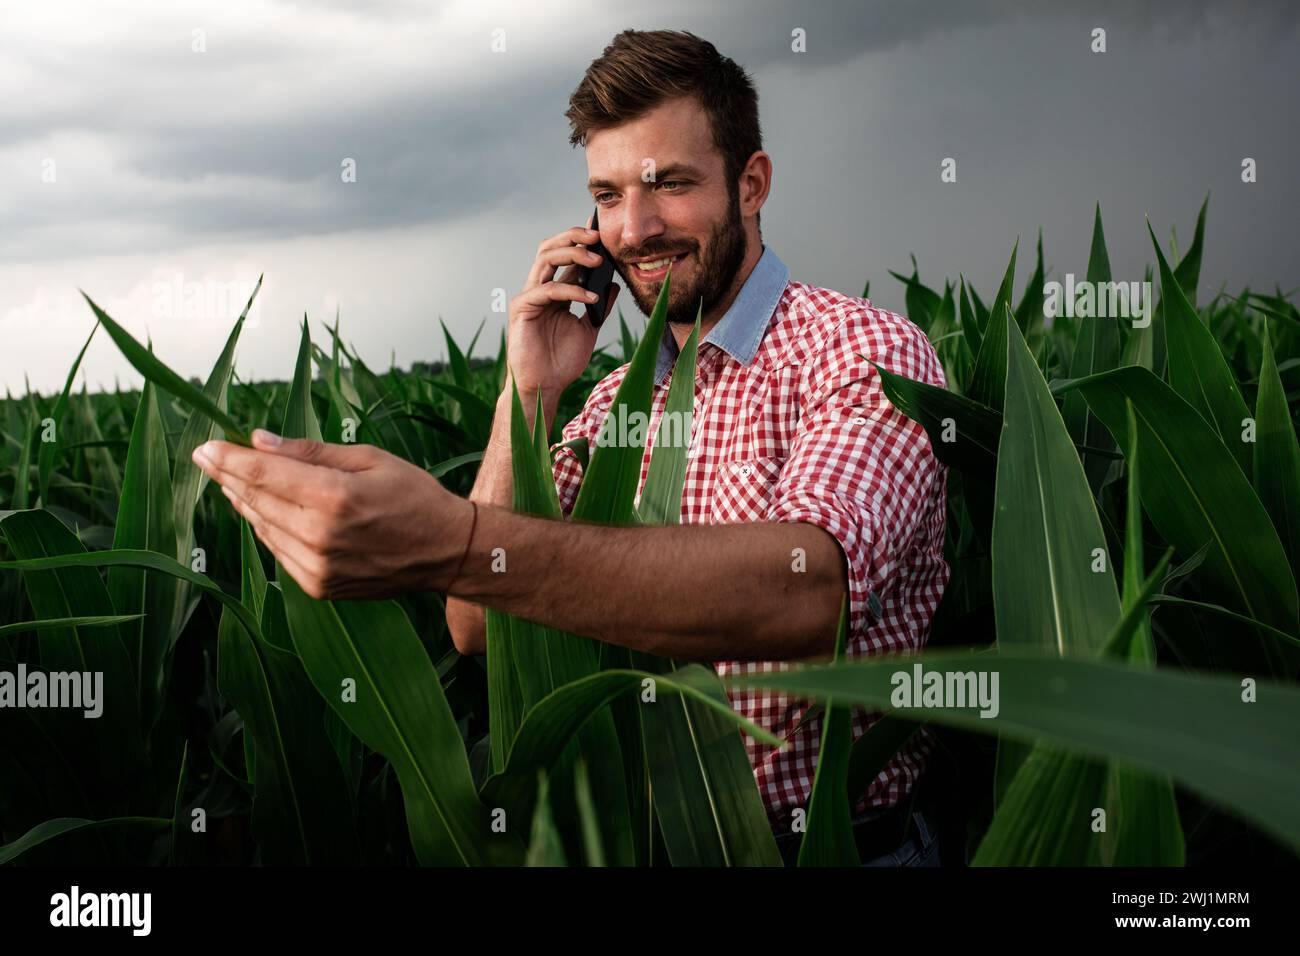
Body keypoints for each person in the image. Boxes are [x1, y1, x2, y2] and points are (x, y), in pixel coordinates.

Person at [191, 29, 950, 866]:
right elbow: (476, 622)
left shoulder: (861, 350)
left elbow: (808, 594)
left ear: (752, 183)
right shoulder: (611, 412)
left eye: (670, 185)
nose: (636, 228)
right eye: (609, 194)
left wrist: (451, 540)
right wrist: (532, 393)